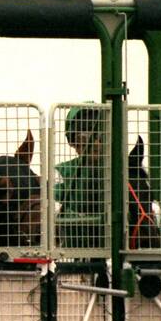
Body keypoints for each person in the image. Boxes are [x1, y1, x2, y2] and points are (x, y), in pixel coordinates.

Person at [53, 104, 107, 248]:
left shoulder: (126, 171)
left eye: (97, 135)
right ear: (74, 143)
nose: (93, 142)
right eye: (83, 136)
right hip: (71, 253)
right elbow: (53, 208)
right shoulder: (61, 172)